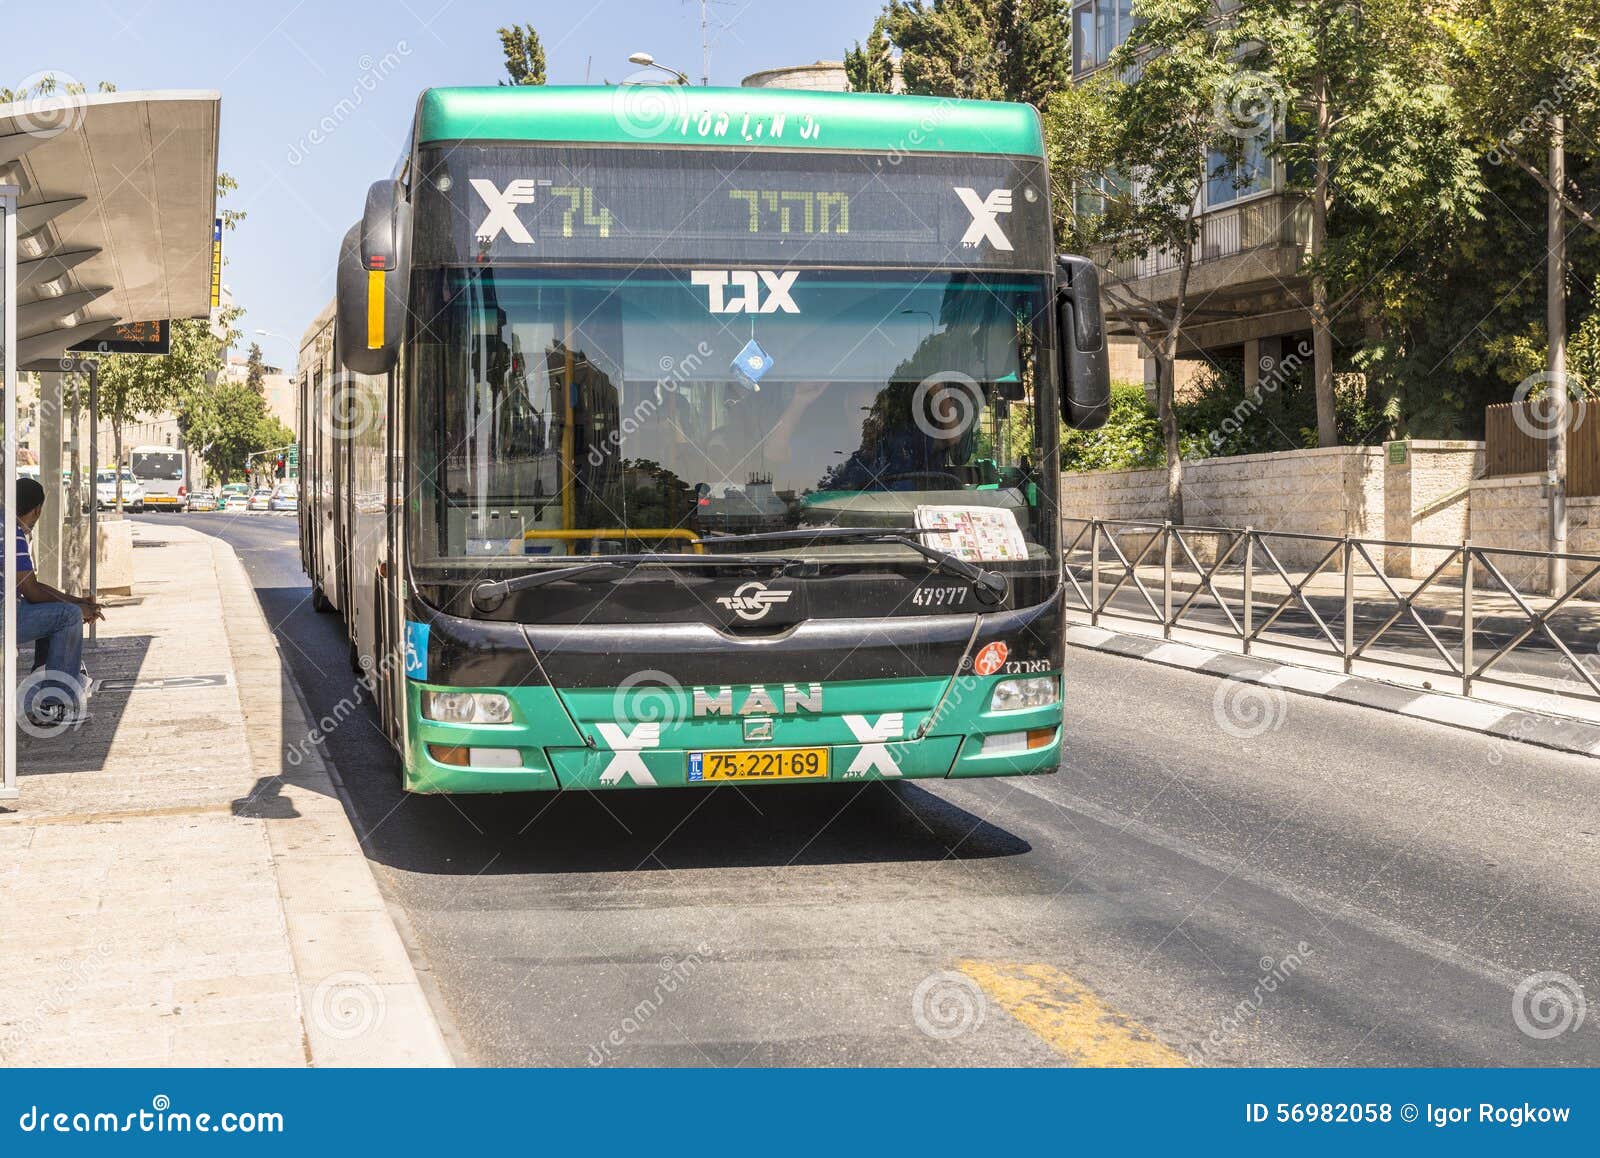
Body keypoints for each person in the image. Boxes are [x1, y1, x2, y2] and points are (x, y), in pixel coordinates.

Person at [6, 477, 103, 729]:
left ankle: (44, 680)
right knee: (67, 617)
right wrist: (77, 609)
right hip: (6, 616)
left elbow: (32, 588)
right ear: (37, 509)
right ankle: (56, 702)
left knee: (59, 613)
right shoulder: (12, 533)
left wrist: (77, 601)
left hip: (11, 610)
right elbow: (32, 592)